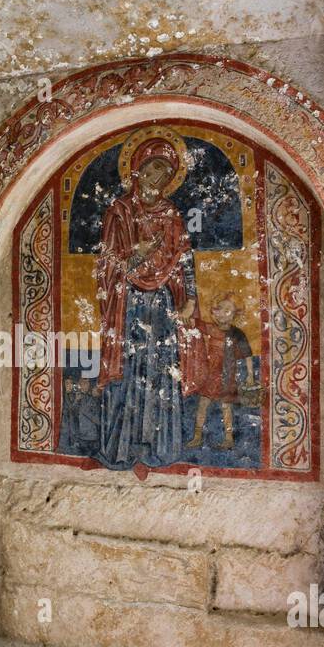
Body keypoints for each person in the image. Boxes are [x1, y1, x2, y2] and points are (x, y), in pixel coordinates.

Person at [95, 126, 205, 470]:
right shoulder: (120, 212)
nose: (160, 175)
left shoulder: (172, 215)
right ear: (138, 168)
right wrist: (137, 254)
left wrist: (190, 299)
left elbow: (185, 258)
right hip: (128, 304)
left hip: (164, 304)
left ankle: (161, 448)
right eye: (155, 167)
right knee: (129, 370)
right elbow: (108, 262)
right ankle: (121, 448)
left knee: (161, 372)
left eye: (167, 171)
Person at [184, 292, 254, 451]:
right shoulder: (211, 328)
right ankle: (197, 436)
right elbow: (193, 323)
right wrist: (186, 313)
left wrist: (250, 376)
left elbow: (248, 355)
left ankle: (228, 438)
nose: (222, 313)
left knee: (226, 407)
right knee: (202, 405)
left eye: (227, 310)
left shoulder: (237, 334)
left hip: (227, 377)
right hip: (210, 375)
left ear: (236, 314)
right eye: (219, 308)